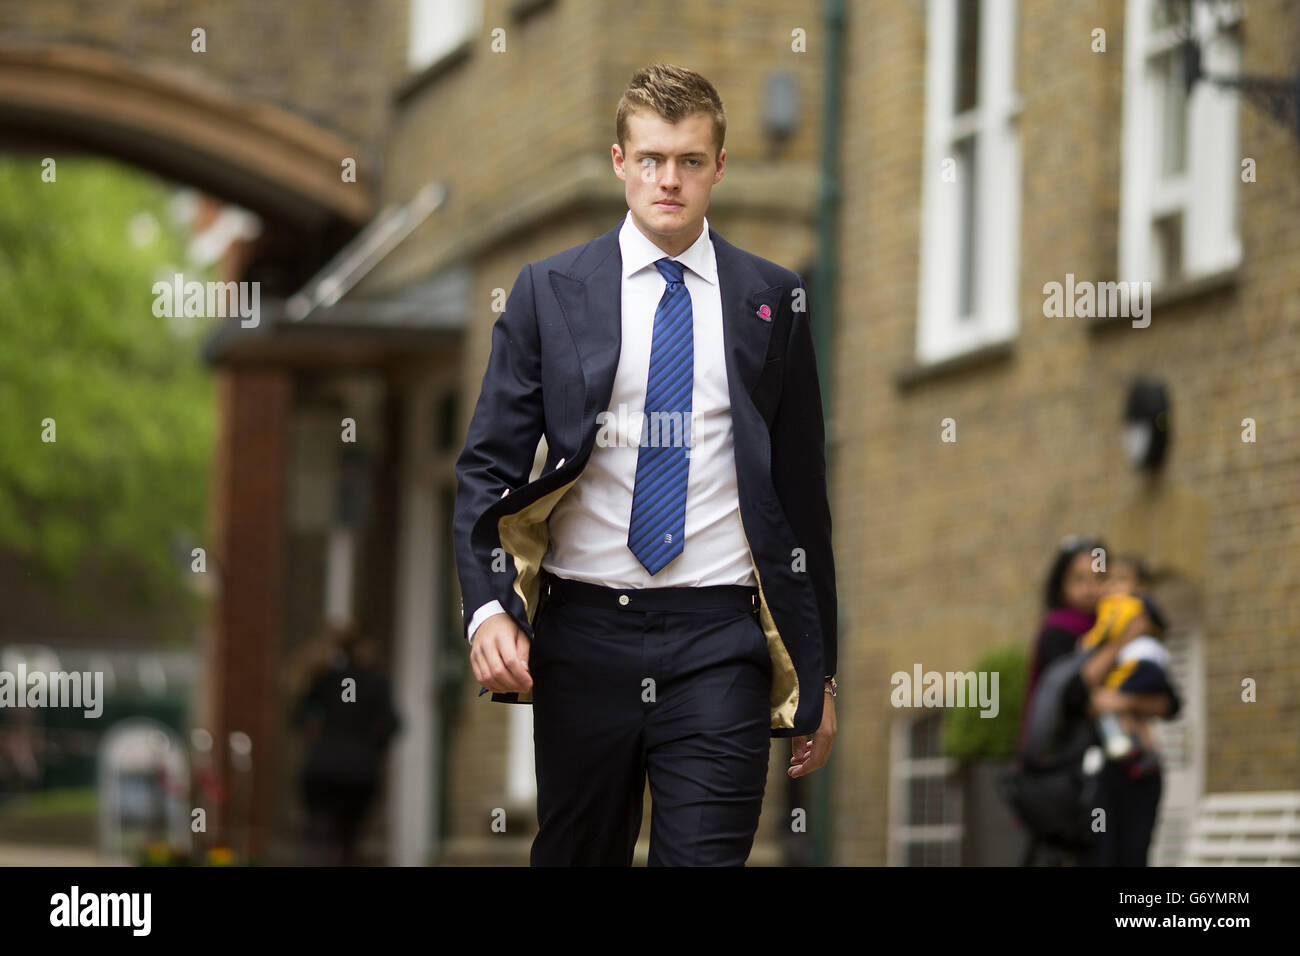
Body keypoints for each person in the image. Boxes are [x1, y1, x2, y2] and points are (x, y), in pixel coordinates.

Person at [453, 63, 837, 866]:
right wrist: (488, 607)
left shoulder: (774, 301)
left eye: (691, 161)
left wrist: (818, 674)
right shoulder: (547, 293)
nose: (671, 179)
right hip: (585, 633)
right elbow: (486, 467)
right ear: (620, 161)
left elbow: (802, 501)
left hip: (718, 643)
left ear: (719, 168)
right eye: (653, 158)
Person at [1078, 556, 1180, 866]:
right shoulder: (1095, 636)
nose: (1110, 588)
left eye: (1120, 580)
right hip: (1102, 769)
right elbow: (1084, 684)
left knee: (1135, 855)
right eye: (1108, 580)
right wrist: (1123, 638)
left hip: (1141, 769)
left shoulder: (1147, 647)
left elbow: (1169, 703)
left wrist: (1122, 702)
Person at [290, 624, 401, 866]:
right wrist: (371, 746)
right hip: (359, 771)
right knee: (350, 843)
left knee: (318, 839)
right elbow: (392, 724)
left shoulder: (321, 679)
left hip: (322, 769)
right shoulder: (376, 682)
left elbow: (298, 718)